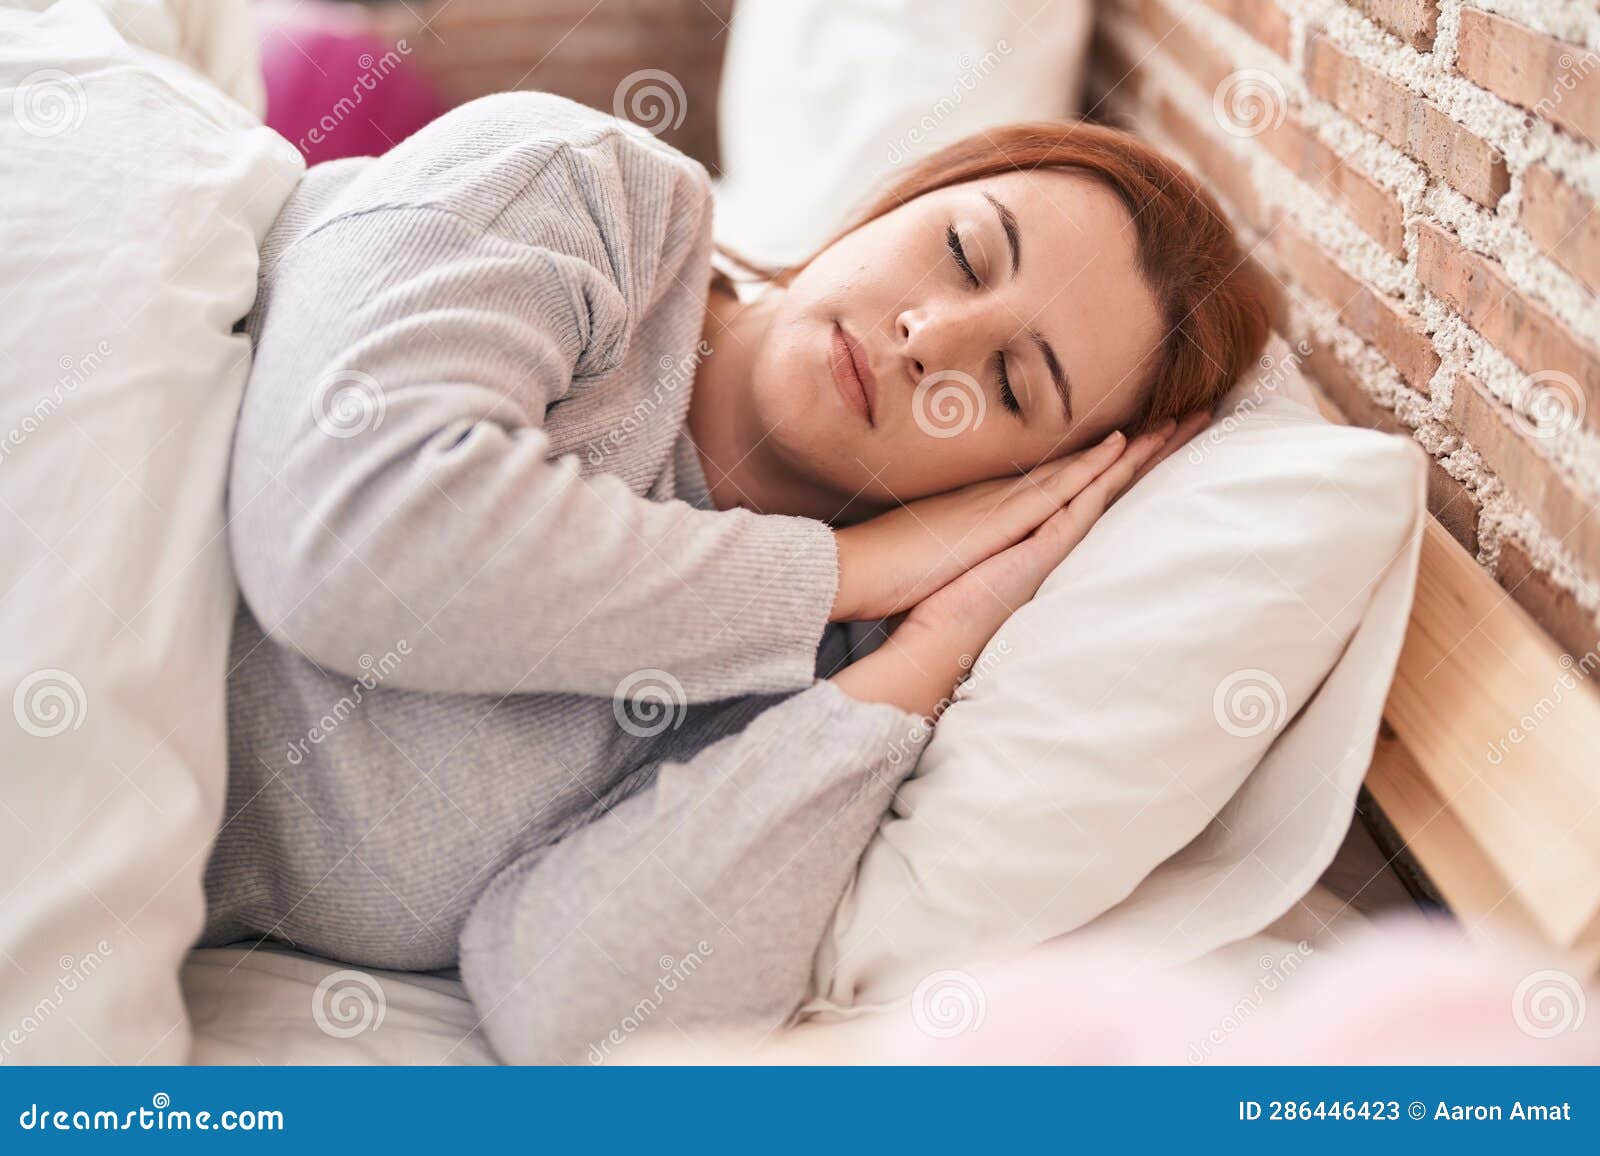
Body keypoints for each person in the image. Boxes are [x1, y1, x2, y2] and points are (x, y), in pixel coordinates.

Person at [201, 92, 1270, 1063]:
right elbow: (348, 549)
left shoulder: (803, 690)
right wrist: (843, 569)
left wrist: (936, 645)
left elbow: (577, 1011)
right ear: (895, 203)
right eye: (960, 250)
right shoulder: (587, 194)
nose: (929, 336)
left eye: (1008, 383)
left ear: (1021, 486)